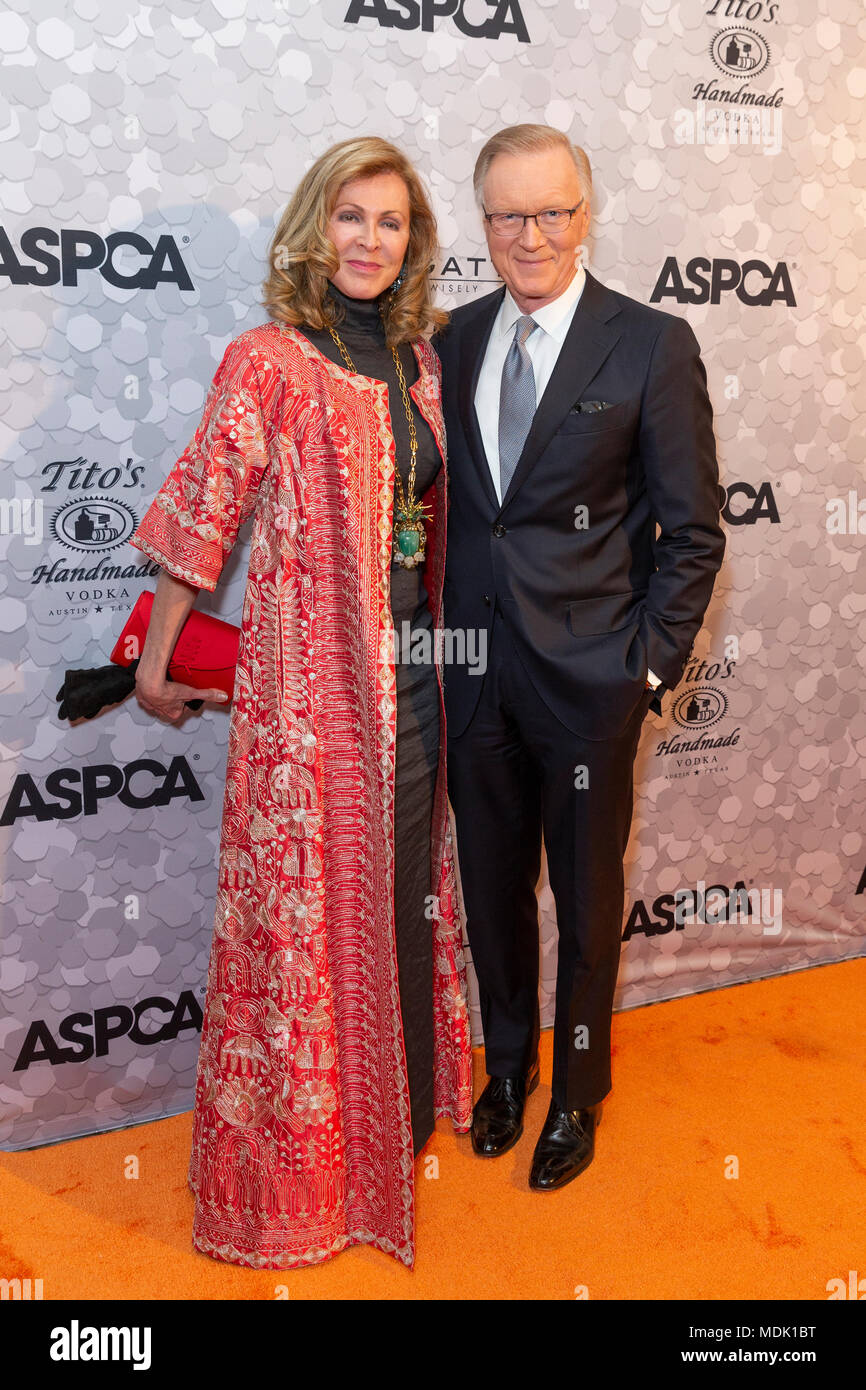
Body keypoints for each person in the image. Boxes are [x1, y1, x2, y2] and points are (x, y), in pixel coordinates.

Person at [128, 136, 472, 1270]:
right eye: (351, 217)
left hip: (413, 678)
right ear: (313, 227)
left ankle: (403, 1121)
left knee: (407, 892)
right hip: (309, 688)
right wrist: (155, 659)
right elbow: (200, 518)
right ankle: (311, 1170)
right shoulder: (267, 361)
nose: (370, 240)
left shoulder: (420, 364)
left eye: (391, 222)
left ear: (411, 241)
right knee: (307, 924)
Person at [436, 124, 725, 1189]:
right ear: (483, 222)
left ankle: (578, 1090)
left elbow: (691, 533)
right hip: (472, 676)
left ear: (584, 211)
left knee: (588, 898)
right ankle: (505, 1070)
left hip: (589, 684)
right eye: (508, 215)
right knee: (488, 888)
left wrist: (640, 670)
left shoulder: (650, 343)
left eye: (551, 211)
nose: (531, 235)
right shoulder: (453, 339)